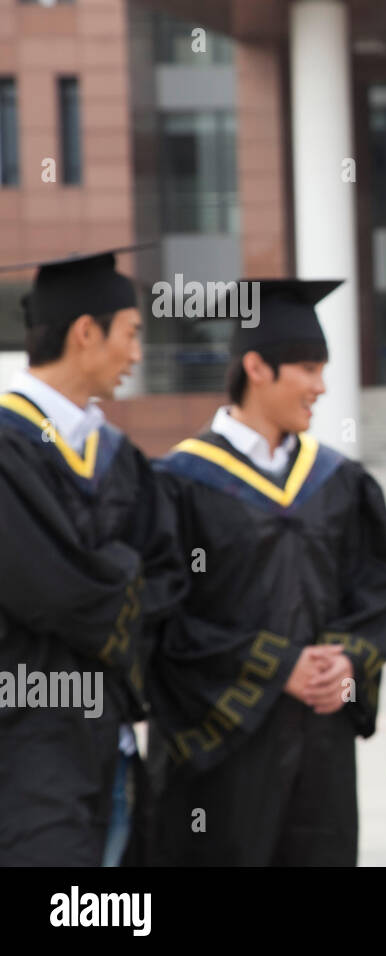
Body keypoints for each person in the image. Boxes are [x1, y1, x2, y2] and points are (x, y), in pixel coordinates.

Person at [145, 279, 386, 866]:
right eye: (309, 369)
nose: (322, 386)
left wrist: (346, 659)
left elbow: (383, 594)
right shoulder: (179, 482)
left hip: (320, 752)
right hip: (218, 754)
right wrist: (276, 667)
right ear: (257, 367)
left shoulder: (340, 482)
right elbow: (160, 620)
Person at [0, 247, 186, 866]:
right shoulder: (6, 445)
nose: (137, 355)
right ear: (86, 332)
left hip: (108, 739)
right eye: (131, 335)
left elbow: (168, 574)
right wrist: (121, 569)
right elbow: (47, 587)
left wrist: (104, 567)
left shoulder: (120, 456)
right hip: (25, 731)